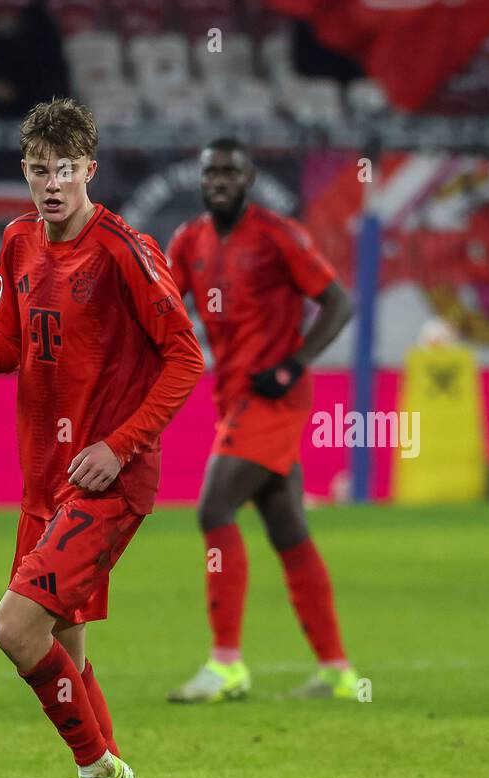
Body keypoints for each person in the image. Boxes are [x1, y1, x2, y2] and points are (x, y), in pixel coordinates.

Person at [0, 98, 204, 778]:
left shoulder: (124, 248)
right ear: (24, 173)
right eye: (37, 169)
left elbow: (186, 357)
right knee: (70, 656)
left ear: (89, 170)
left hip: (107, 481)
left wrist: (120, 447)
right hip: (44, 480)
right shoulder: (19, 241)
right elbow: (10, 342)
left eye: (65, 169)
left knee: (14, 629)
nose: (50, 183)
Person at [164, 137, 357, 703]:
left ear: (247, 179)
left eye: (230, 171)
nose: (219, 179)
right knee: (288, 530)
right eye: (211, 171)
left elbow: (338, 303)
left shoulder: (278, 235)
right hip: (231, 395)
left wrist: (294, 362)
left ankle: (226, 665)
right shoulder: (190, 241)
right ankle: (338, 671)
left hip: (276, 398)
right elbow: (163, 306)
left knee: (213, 508)